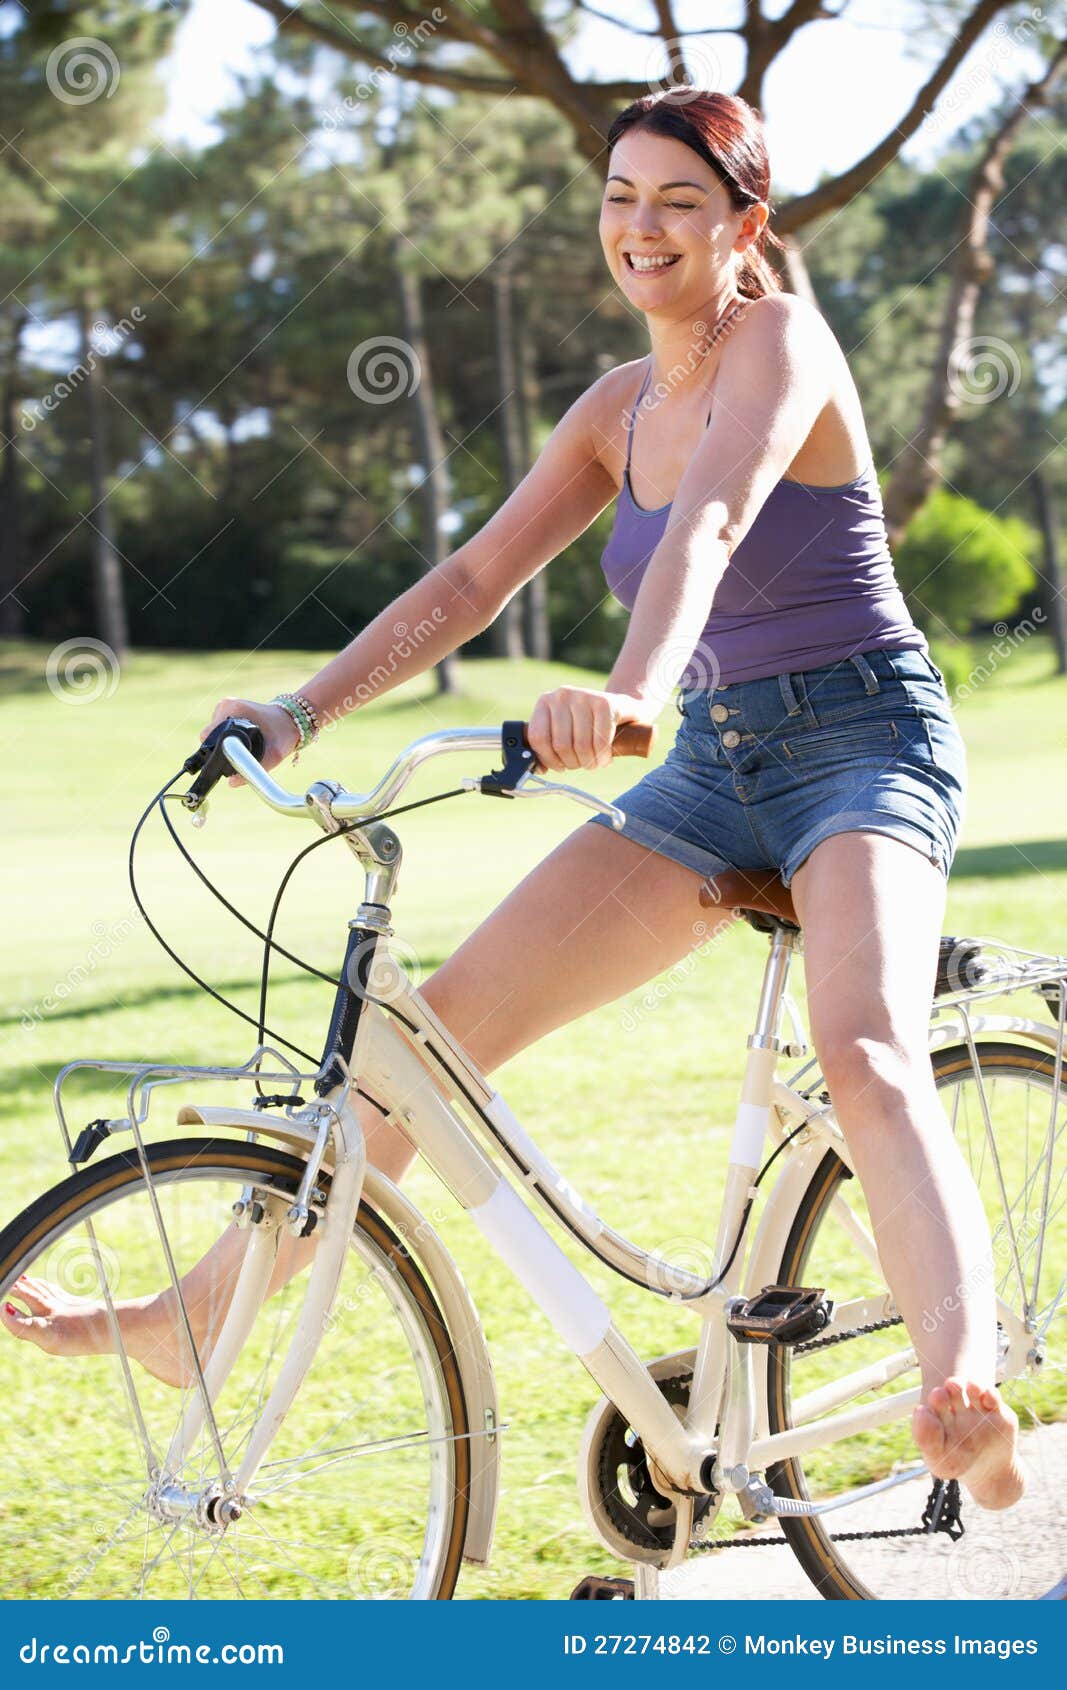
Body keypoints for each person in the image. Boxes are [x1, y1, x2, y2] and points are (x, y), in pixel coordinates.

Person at [4, 90, 1022, 1512]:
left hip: (866, 742)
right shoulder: (615, 408)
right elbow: (469, 585)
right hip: (712, 774)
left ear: (745, 225)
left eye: (678, 199)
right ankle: (197, 1320)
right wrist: (300, 713)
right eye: (620, 195)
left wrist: (632, 684)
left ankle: (961, 1376)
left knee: (861, 1044)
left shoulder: (783, 340)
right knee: (424, 1050)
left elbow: (719, 520)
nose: (641, 226)